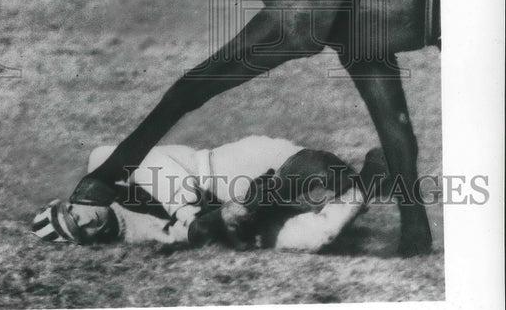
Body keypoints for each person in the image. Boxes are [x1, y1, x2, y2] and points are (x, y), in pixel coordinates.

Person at [32, 135, 386, 252]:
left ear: (73, 200)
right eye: (79, 228)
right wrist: (199, 228)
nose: (85, 218)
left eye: (73, 211)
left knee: (319, 174)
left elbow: (112, 156)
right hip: (235, 216)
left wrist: (187, 216)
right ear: (87, 242)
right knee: (319, 237)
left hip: (224, 170)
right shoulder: (127, 239)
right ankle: (367, 183)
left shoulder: (105, 172)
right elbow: (187, 235)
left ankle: (329, 180)